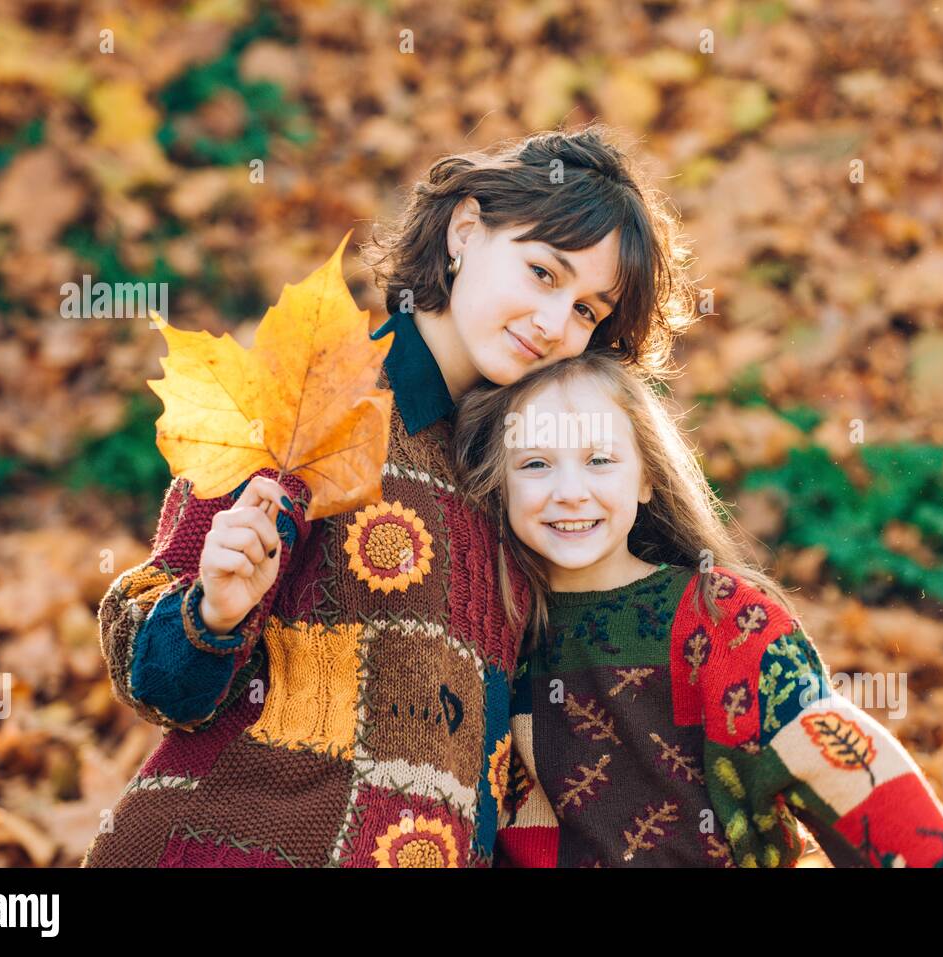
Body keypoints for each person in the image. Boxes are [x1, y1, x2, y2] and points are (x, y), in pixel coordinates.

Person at [82, 124, 701, 867]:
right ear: (466, 230)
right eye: (543, 273)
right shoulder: (320, 399)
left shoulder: (527, 490)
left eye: (586, 311)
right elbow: (151, 680)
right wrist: (211, 613)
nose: (552, 323)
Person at [451, 350, 943, 867]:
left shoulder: (717, 620)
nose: (570, 491)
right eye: (537, 463)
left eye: (599, 460)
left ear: (646, 478)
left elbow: (834, 763)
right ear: (499, 482)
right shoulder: (491, 628)